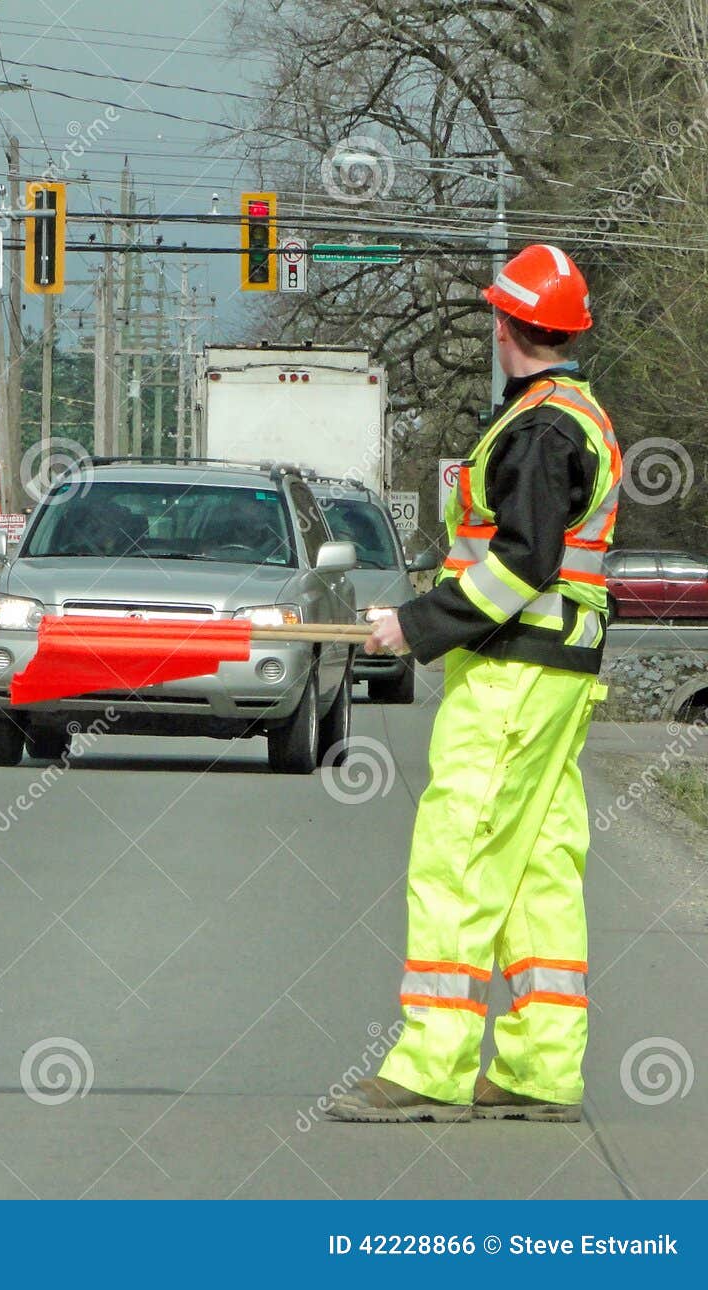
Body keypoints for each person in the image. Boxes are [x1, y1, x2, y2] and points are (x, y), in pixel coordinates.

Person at [328, 244, 620, 1124]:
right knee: (538, 863)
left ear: (504, 325)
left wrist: (414, 625)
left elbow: (524, 562)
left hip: (515, 674)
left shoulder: (539, 429)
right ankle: (539, 1069)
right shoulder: (577, 414)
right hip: (559, 672)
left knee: (458, 854)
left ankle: (432, 1065)